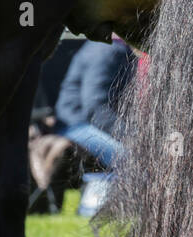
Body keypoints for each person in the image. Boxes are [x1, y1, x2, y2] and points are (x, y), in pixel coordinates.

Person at [52, 36, 137, 169]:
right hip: (77, 125)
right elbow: (95, 108)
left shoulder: (104, 46)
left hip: (82, 123)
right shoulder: (107, 50)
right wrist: (132, 135)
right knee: (132, 160)